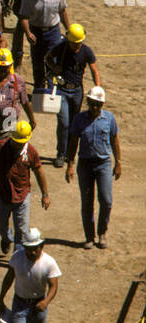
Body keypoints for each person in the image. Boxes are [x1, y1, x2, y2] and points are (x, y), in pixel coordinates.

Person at [65, 86, 121, 250]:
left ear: (102, 105)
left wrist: (118, 162)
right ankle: (89, 236)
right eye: (92, 103)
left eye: (98, 104)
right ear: (88, 102)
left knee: (106, 200)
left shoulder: (109, 119)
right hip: (85, 164)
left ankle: (102, 232)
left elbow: (115, 140)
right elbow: (73, 142)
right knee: (87, 202)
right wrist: (70, 164)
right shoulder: (79, 119)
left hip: (103, 163)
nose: (95, 107)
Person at [0, 119, 50, 255]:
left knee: (22, 231)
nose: (18, 144)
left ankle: (17, 260)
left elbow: (39, 172)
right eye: (16, 141)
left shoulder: (31, 152)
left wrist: (45, 194)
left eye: (21, 142)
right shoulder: (0, 147)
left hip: (22, 196)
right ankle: (6, 238)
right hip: (2, 194)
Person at [45, 23, 100, 168]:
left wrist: (98, 88)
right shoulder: (61, 48)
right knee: (63, 123)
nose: (75, 46)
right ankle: (61, 154)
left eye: (77, 44)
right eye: (73, 43)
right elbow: (48, 57)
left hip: (77, 91)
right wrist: (54, 67)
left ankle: (70, 155)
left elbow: (94, 70)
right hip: (62, 90)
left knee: (74, 125)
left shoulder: (86, 52)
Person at [17, 0, 70, 92]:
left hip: (53, 31)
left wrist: (68, 28)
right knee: (38, 62)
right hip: (36, 31)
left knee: (53, 61)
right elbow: (23, 16)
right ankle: (39, 90)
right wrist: (28, 33)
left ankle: (52, 91)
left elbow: (62, 11)